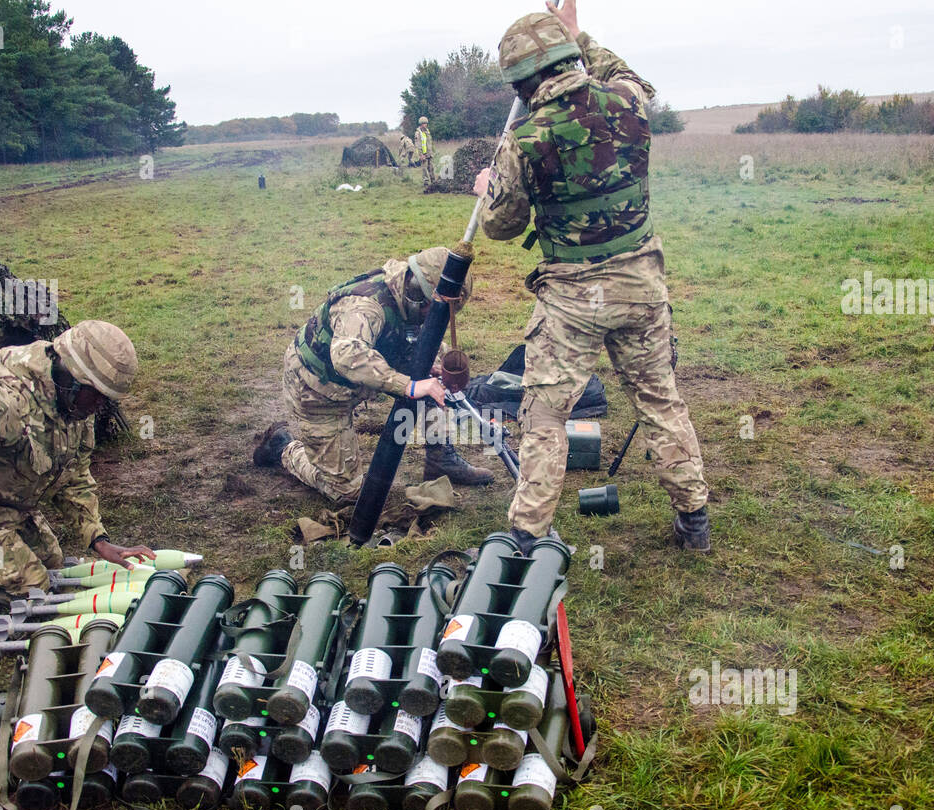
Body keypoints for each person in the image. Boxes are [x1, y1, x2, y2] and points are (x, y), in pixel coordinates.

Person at [473, 0, 711, 554]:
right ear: (568, 56)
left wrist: (491, 191)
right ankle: (694, 519)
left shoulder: (524, 140)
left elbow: (502, 228)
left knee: (545, 416)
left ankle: (527, 539)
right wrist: (581, 36)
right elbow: (626, 73)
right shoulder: (629, 103)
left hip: (572, 302)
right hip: (641, 288)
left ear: (521, 80)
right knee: (659, 398)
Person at [0, 320, 156, 606]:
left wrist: (98, 538)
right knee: (30, 586)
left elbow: (75, 478)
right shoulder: (3, 397)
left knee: (52, 563)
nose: (99, 405)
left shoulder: (74, 410)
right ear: (71, 375)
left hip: (2, 502)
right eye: (96, 394)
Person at [253, 247, 493, 502]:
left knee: (429, 379)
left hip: (356, 377)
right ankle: (283, 447)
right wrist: (409, 386)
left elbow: (413, 337)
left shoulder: (409, 294)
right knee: (348, 493)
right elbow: (348, 355)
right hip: (317, 391)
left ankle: (440, 458)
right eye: (433, 311)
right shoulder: (365, 307)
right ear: (419, 295)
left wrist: (437, 365)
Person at [416, 116, 435, 188]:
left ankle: (433, 182)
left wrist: (432, 152)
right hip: (423, 154)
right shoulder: (418, 133)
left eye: (426, 123)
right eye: (424, 123)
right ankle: (426, 183)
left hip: (429, 153)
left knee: (431, 168)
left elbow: (430, 143)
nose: (426, 125)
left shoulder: (428, 131)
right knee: (424, 169)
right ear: (421, 124)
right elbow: (418, 145)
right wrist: (421, 155)